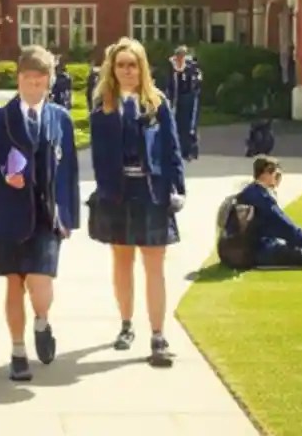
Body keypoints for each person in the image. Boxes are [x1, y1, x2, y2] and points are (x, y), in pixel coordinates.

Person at [0, 45, 80, 382]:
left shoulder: (60, 118)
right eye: (28, 78)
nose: (34, 85)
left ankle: (42, 321)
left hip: (47, 215)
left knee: (40, 282)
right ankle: (18, 351)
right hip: (10, 212)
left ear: (49, 81)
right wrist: (2, 179)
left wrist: (69, 216)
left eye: (40, 79)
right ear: (19, 79)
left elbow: (69, 172)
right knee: (14, 284)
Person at [87, 37, 185, 367]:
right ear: (112, 69)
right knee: (122, 261)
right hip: (117, 193)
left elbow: (172, 150)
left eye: (132, 65)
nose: (127, 70)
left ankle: (158, 334)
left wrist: (178, 189)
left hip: (152, 191)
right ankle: (126, 324)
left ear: (142, 68)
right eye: (121, 65)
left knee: (155, 264)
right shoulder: (103, 107)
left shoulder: (157, 104)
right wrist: (104, 192)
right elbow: (99, 157)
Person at [233, 156, 302, 269]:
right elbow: (284, 225)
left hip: (252, 247)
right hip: (259, 250)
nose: (277, 179)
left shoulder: (250, 191)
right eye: (275, 174)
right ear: (266, 173)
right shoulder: (262, 198)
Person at [163, 46, 201, 161]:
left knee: (188, 126)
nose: (180, 57)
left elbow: (196, 81)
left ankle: (189, 150)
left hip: (189, 98)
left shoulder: (191, 67)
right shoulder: (172, 66)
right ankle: (178, 150)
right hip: (176, 98)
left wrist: (195, 86)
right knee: (177, 125)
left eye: (182, 55)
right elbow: (168, 83)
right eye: (179, 55)